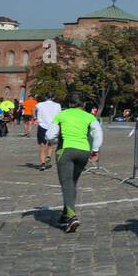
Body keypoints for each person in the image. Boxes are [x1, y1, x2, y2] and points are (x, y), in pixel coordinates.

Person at [45, 94, 102, 232]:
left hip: (66, 151)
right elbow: (98, 132)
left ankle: (72, 216)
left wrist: (52, 141)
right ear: (83, 104)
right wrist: (95, 149)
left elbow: (50, 135)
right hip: (83, 151)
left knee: (66, 183)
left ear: (70, 103)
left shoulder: (62, 115)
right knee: (72, 182)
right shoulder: (89, 117)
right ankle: (65, 214)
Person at [34, 93, 62, 170]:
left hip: (42, 126)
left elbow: (34, 109)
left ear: (45, 97)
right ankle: (48, 156)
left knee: (42, 145)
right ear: (54, 97)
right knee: (51, 143)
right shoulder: (58, 105)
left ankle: (42, 163)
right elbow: (60, 115)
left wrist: (35, 117)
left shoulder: (39, 104)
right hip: (53, 126)